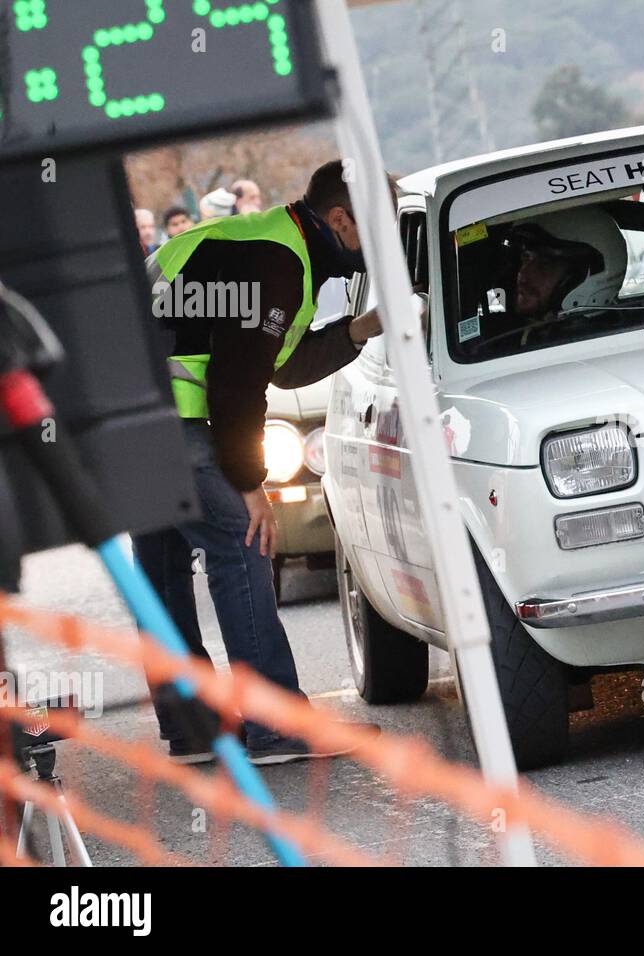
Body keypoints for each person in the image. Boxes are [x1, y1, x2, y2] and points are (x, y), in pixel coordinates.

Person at [137, 159, 392, 765]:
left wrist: (358, 329)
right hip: (174, 421)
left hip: (128, 424)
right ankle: (276, 726)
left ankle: (193, 728)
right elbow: (236, 385)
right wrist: (250, 483)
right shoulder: (277, 261)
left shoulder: (270, 243)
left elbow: (281, 364)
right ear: (340, 219)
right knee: (243, 541)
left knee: (165, 568)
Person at [483, 207, 626, 352]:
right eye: (526, 258)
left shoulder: (602, 351)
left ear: (582, 277)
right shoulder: (500, 336)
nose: (522, 273)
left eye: (545, 264)